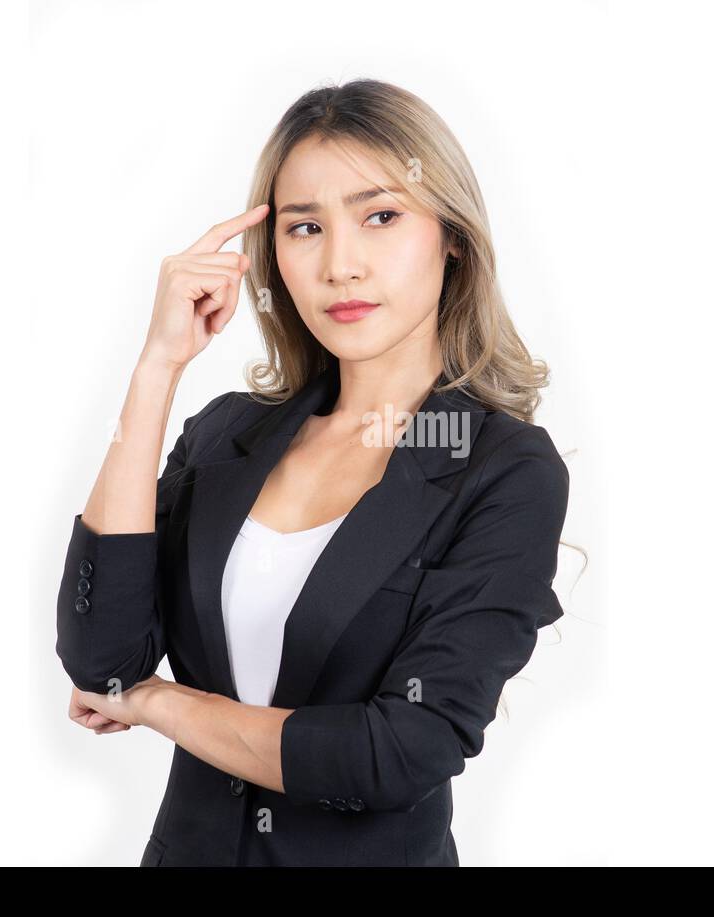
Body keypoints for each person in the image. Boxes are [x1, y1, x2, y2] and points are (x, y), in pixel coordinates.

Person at [56, 78, 575, 865]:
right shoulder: (230, 434)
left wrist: (165, 704)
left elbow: (400, 750)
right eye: (305, 227)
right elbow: (102, 659)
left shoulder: (503, 472)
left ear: (453, 236)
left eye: (381, 216)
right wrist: (157, 367)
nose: (341, 265)